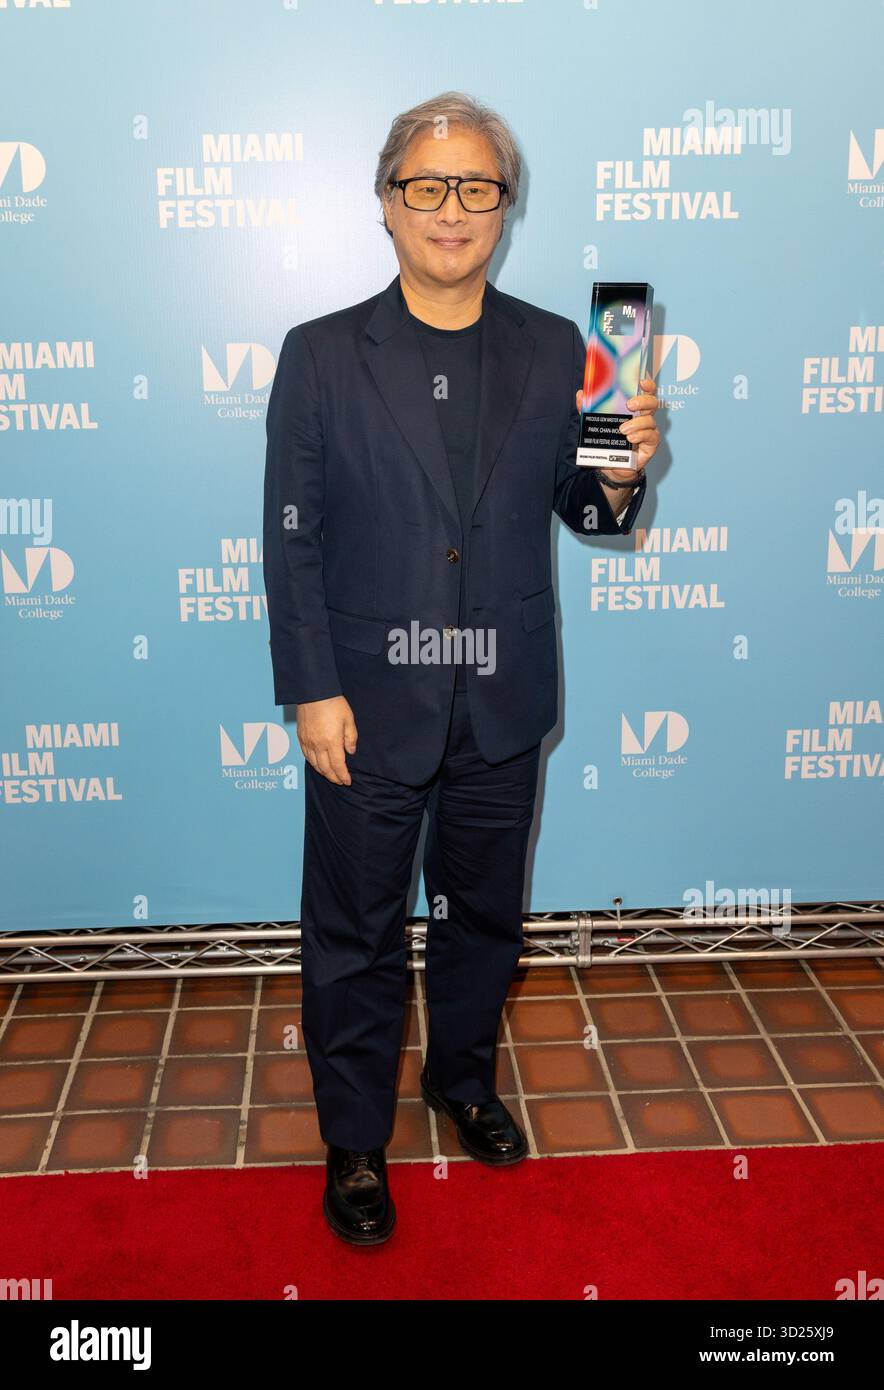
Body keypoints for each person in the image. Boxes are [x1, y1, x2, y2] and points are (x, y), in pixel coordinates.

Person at [262, 91, 660, 1245]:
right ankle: (353, 1140)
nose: (452, 209)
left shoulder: (559, 350)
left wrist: (625, 470)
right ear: (385, 205)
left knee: (483, 916)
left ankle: (461, 1078)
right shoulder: (322, 355)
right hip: (364, 703)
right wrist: (310, 686)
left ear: (503, 206)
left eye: (476, 187)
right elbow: (290, 535)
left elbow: (587, 510)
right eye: (425, 187)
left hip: (500, 696)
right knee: (354, 930)